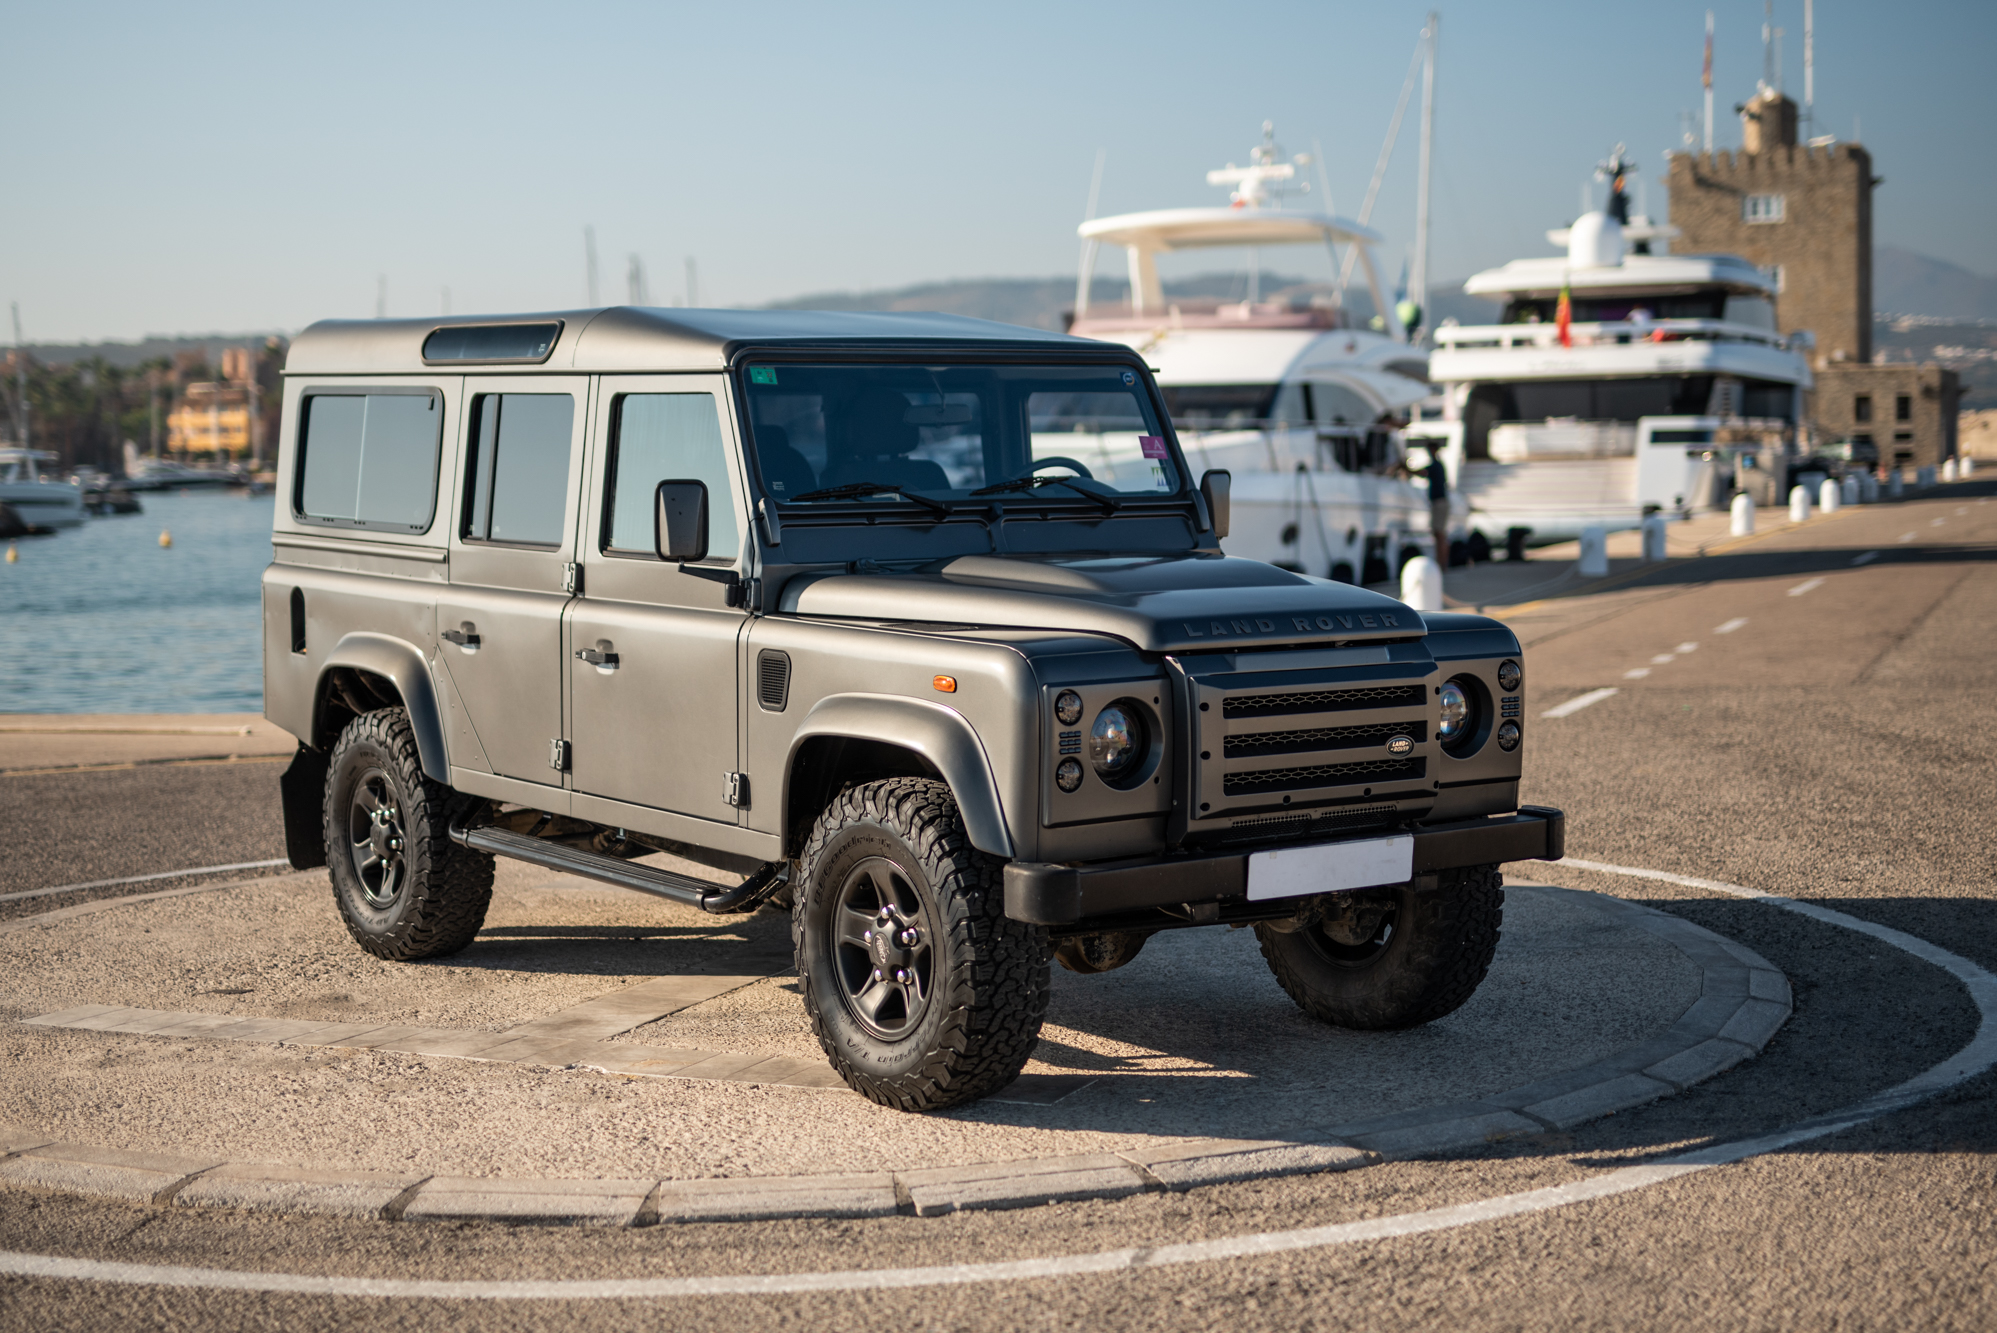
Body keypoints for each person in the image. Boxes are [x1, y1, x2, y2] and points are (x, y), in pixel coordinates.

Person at [1417, 445, 1451, 565]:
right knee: (1439, 534)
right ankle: (1441, 563)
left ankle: (1442, 563)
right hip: (1440, 502)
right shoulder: (1438, 465)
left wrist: (1405, 468)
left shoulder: (1436, 465)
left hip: (1439, 502)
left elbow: (1422, 473)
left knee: (1439, 534)